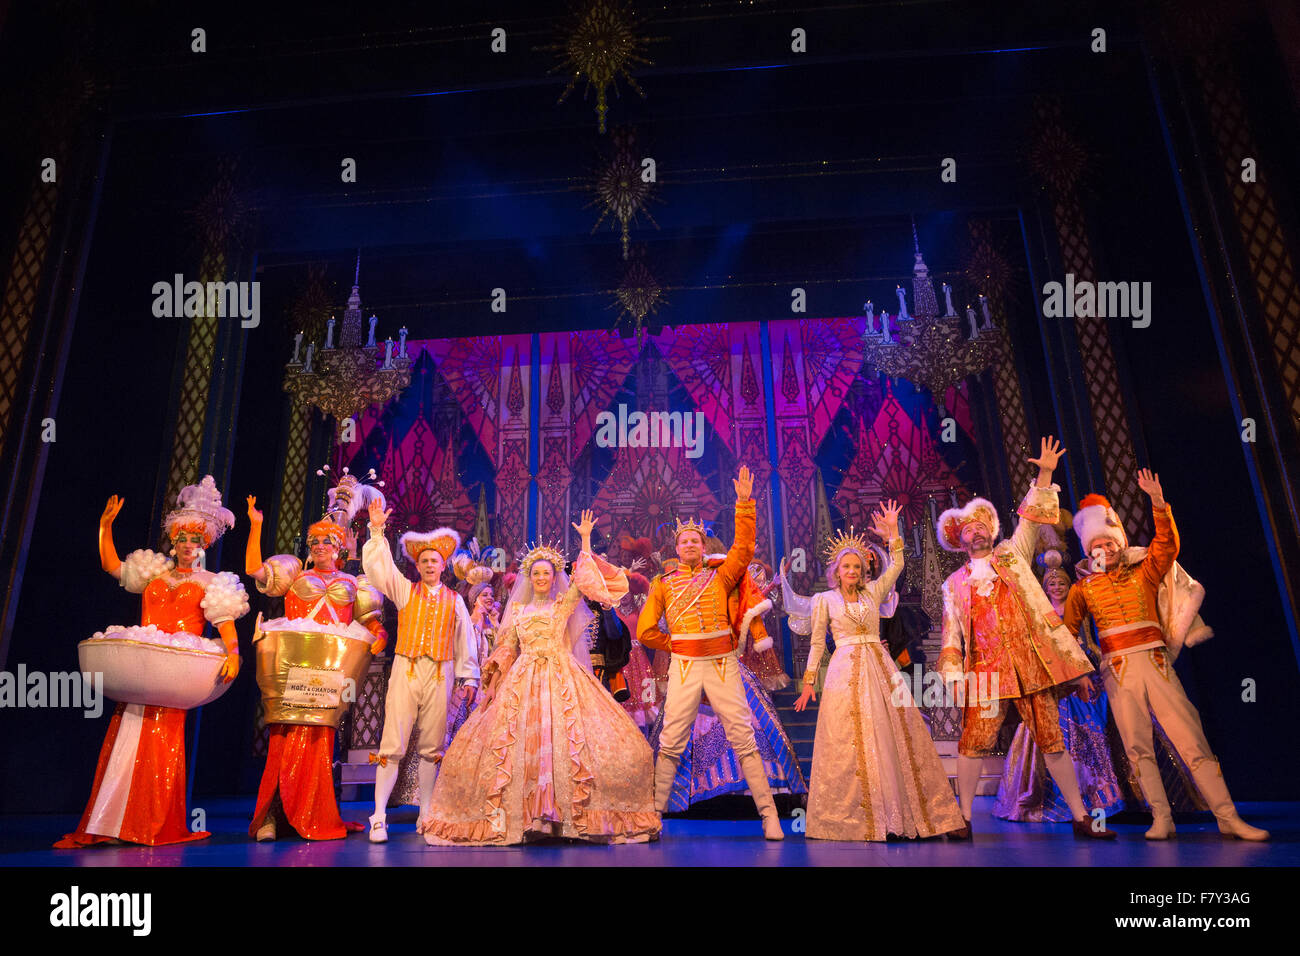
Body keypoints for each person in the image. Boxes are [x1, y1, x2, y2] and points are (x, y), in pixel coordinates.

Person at [424, 511, 660, 845]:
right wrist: (491, 687)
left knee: (585, 743)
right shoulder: (518, 611)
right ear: (528, 577)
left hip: (561, 675)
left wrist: (586, 540)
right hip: (523, 678)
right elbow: (506, 648)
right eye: (535, 573)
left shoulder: (562, 605)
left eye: (546, 573)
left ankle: (560, 814)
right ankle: (527, 816)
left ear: (553, 577)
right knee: (509, 747)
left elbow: (581, 582)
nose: (540, 578)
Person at [1065, 471, 1268, 841]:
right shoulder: (1082, 589)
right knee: (1137, 748)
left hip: (1155, 663)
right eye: (1097, 546)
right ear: (1087, 550)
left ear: (1119, 542)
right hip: (1118, 671)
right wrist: (1078, 672)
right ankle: (1162, 819)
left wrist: (1159, 503)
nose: (1104, 551)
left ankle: (1227, 817)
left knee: (1191, 739)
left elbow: (1167, 546)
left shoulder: (1143, 570)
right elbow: (1067, 633)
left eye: (1110, 544)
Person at [936, 437, 1114, 840]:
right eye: (968, 529)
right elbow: (952, 634)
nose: (976, 532)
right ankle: (962, 818)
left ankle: (1081, 817)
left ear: (992, 530)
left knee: (1052, 740)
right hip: (986, 672)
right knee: (972, 742)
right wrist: (951, 675)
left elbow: (1032, 519)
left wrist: (1046, 473)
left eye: (982, 525)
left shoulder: (1013, 554)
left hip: (1031, 664)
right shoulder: (954, 583)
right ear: (959, 540)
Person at [57, 477, 248, 848]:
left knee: (161, 736)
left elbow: (224, 622)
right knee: (127, 729)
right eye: (182, 539)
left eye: (195, 540)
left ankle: (150, 822)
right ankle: (111, 822)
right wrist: (105, 526)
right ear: (173, 542)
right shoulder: (154, 573)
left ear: (204, 544)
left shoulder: (212, 581)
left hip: (175, 668)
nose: (188, 546)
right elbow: (111, 565)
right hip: (144, 662)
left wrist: (234, 655)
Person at [788, 501, 965, 840]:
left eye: (857, 566)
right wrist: (809, 681)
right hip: (843, 670)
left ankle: (904, 816)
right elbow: (815, 644)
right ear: (836, 572)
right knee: (850, 737)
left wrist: (894, 532)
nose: (852, 571)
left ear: (863, 570)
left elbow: (897, 563)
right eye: (846, 567)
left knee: (893, 734)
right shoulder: (825, 600)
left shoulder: (873, 592)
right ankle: (862, 817)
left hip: (879, 667)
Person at [637, 465, 785, 840]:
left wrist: (744, 504)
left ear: (704, 547)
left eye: (695, 541)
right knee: (671, 738)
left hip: (722, 663)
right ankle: (654, 817)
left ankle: (769, 816)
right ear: (675, 547)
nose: (689, 545)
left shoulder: (722, 574)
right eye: (683, 541)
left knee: (742, 734)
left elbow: (745, 547)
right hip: (685, 665)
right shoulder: (663, 583)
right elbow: (645, 631)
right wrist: (675, 645)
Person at [245, 469, 387, 841]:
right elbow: (254, 571)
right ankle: (272, 816)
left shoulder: (355, 584)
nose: (321, 546)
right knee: (283, 734)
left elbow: (372, 623)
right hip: (293, 660)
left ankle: (311, 811)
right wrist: (256, 526)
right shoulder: (293, 571)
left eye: (328, 542)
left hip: (329, 668)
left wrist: (380, 637)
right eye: (316, 541)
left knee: (319, 739)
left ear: (341, 548)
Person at [361, 504, 481, 841]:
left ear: (443, 566)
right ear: (418, 566)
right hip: (406, 668)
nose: (430, 565)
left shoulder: (454, 600)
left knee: (431, 745)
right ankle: (379, 815)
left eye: (435, 561)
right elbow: (379, 568)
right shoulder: (405, 590)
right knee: (393, 741)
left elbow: (464, 639)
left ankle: (426, 813)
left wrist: (469, 676)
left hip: (440, 672)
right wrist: (376, 531)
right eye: (424, 561)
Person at [993, 563, 1126, 824]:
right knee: (1050, 736)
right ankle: (1055, 800)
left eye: (1061, 583)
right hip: (1055, 681)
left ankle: (1096, 801)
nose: (1057, 587)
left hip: (1082, 678)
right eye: (1051, 584)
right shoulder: (1040, 613)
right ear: (1044, 588)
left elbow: (1088, 642)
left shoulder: (1080, 610)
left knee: (1090, 734)